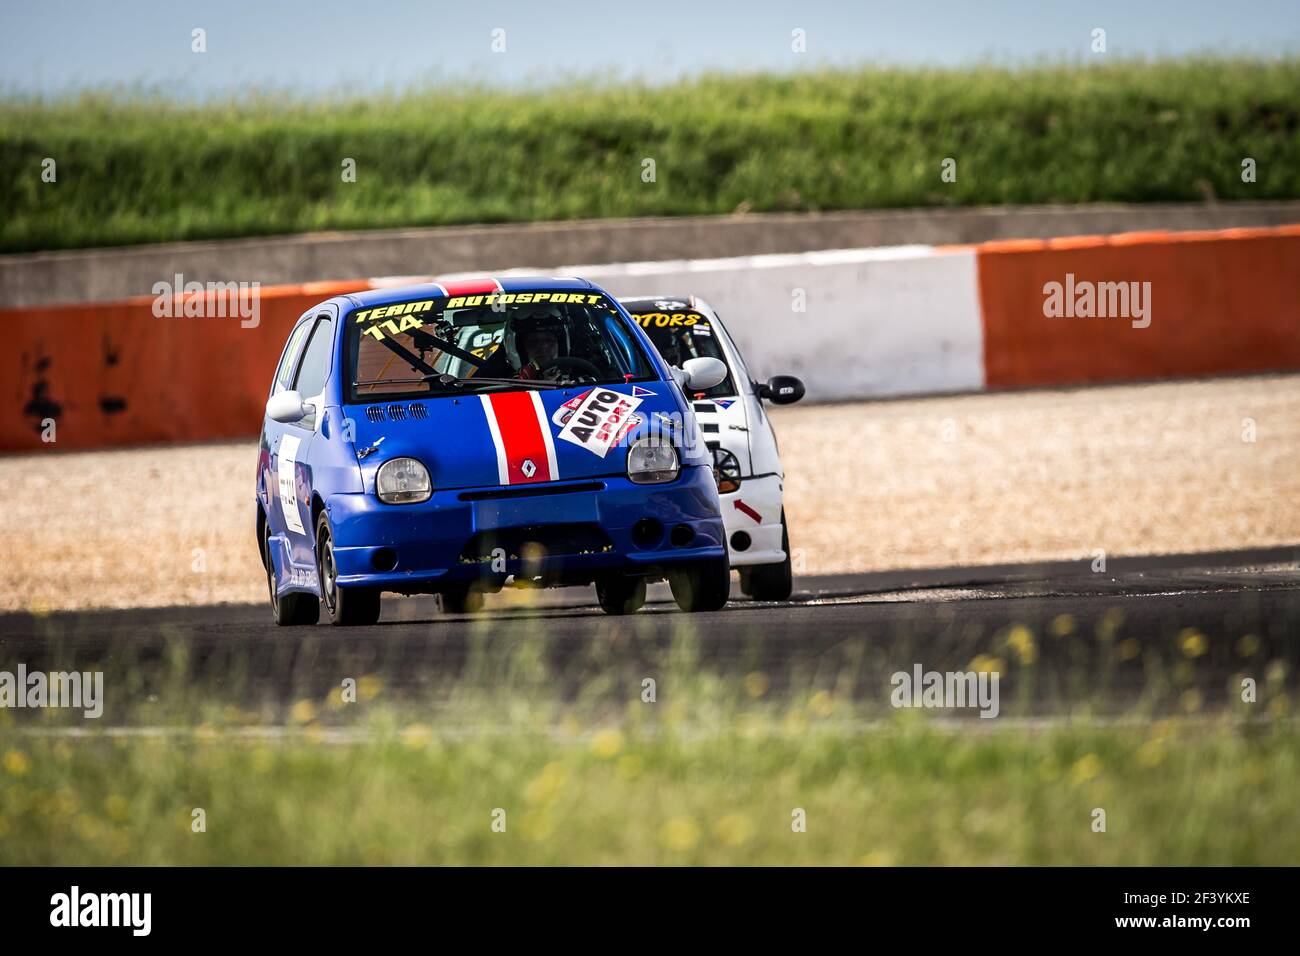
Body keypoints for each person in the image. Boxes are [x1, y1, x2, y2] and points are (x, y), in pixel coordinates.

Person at [514, 306, 566, 379]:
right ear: (521, 348)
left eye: (549, 340)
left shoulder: (580, 374)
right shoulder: (504, 384)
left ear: (560, 345)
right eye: (534, 342)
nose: (544, 346)